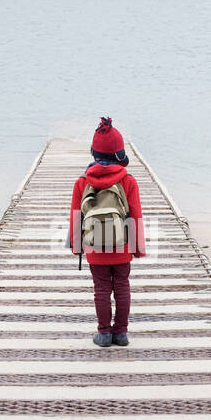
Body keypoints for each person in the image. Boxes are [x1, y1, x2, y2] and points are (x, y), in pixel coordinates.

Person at [69, 117, 146, 347]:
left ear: (93, 152)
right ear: (119, 154)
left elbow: (76, 216)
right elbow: (135, 215)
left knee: (101, 287)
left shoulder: (82, 183)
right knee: (122, 285)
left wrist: (77, 246)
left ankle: (103, 334)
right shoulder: (129, 181)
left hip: (94, 244)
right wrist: (137, 247)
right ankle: (120, 334)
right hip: (122, 245)